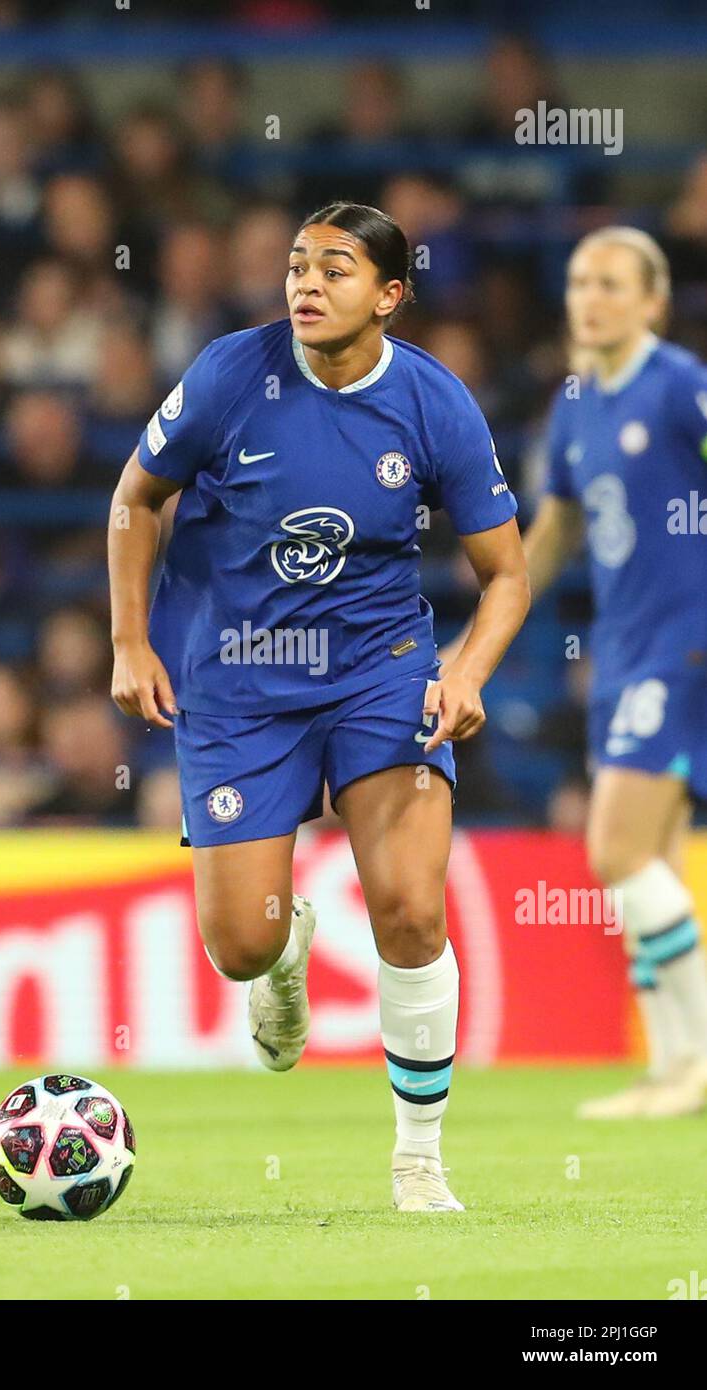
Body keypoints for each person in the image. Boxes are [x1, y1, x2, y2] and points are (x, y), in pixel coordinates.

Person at [109, 202, 529, 1211]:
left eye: (333, 269)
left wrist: (464, 671)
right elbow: (137, 496)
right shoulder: (227, 375)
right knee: (239, 944)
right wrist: (129, 641)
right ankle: (282, 945)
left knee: (409, 908)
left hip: (377, 669)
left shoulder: (433, 405)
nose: (304, 282)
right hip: (239, 673)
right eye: (297, 265)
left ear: (387, 296)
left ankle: (417, 1158)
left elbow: (504, 575)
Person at [494, 227, 707, 1118]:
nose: (592, 297)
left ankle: (700, 1057)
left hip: (683, 642)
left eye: (615, 283)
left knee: (613, 848)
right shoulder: (576, 403)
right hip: (620, 651)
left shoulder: (681, 387)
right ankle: (672, 1069)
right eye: (581, 280)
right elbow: (555, 530)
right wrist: (492, 624)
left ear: (654, 302)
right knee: (650, 856)